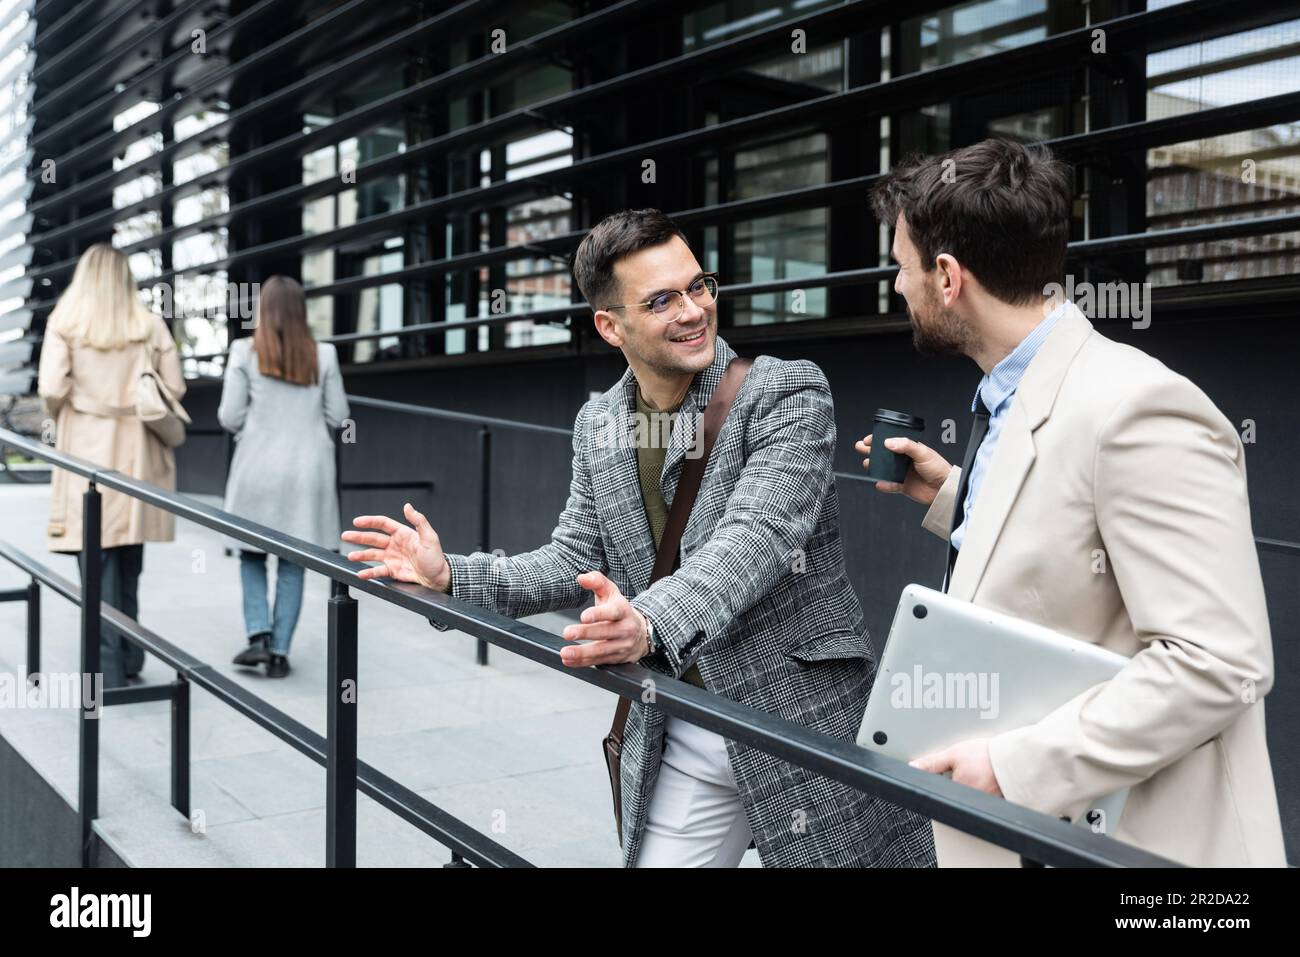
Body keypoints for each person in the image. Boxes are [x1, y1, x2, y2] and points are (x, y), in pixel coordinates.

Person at [343, 209, 935, 868]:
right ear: (609, 325)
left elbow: (758, 535)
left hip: (798, 716)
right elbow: (574, 555)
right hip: (680, 719)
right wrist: (452, 574)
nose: (693, 310)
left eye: (698, 286)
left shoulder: (786, 391)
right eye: (661, 300)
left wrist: (647, 622)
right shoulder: (599, 422)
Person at [859, 137, 1285, 867]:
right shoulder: (1021, 392)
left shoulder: (1138, 408)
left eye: (902, 268)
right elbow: (1068, 534)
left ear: (949, 277)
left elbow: (1218, 660)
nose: (898, 286)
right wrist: (955, 498)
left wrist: (1014, 766)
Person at [37, 243, 186, 688]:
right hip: (135, 454)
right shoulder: (149, 325)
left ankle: (105, 666)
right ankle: (132, 656)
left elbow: (50, 388)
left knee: (94, 564)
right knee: (128, 560)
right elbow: (174, 387)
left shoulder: (64, 324)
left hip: (85, 455)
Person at [218, 276, 349, 678]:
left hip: (257, 468)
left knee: (252, 552)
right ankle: (279, 654)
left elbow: (229, 416)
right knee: (294, 562)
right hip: (307, 474)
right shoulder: (323, 354)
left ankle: (257, 636)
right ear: (301, 311)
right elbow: (339, 416)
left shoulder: (244, 350)